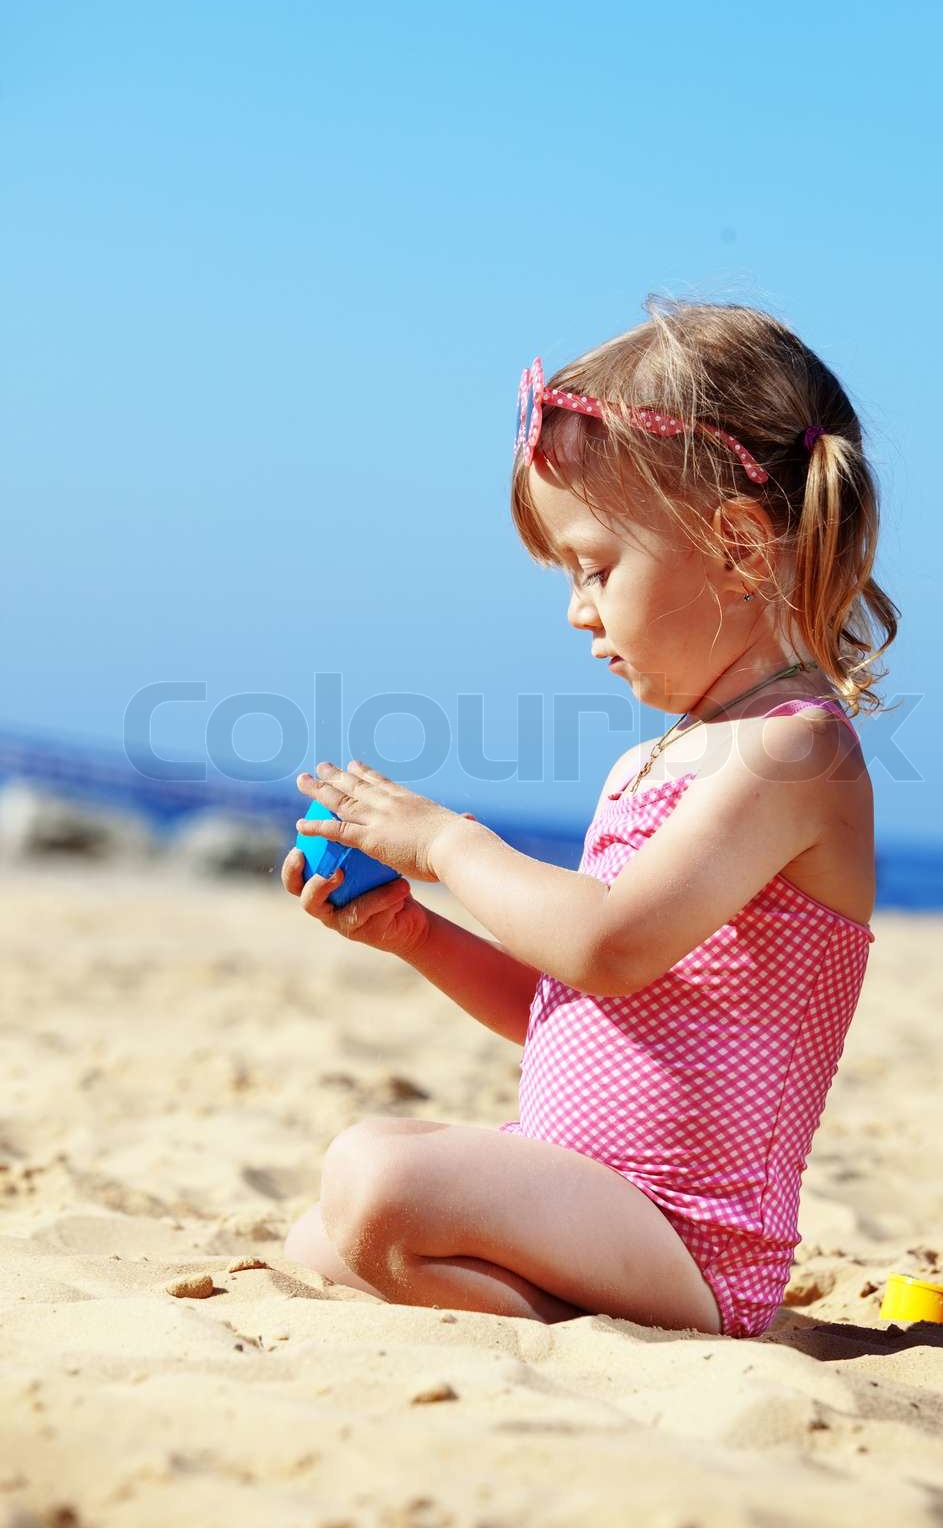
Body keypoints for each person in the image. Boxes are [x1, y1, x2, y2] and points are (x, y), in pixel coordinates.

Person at [280, 296, 899, 1339]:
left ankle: (582, 1317)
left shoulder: (795, 754)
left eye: (595, 567)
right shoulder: (646, 765)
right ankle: (547, 1307)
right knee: (319, 1233)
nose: (576, 608)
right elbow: (577, 999)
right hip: (588, 1196)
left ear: (739, 546)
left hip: (688, 1233)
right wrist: (417, 932)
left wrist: (445, 844)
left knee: (375, 1174)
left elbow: (607, 945)